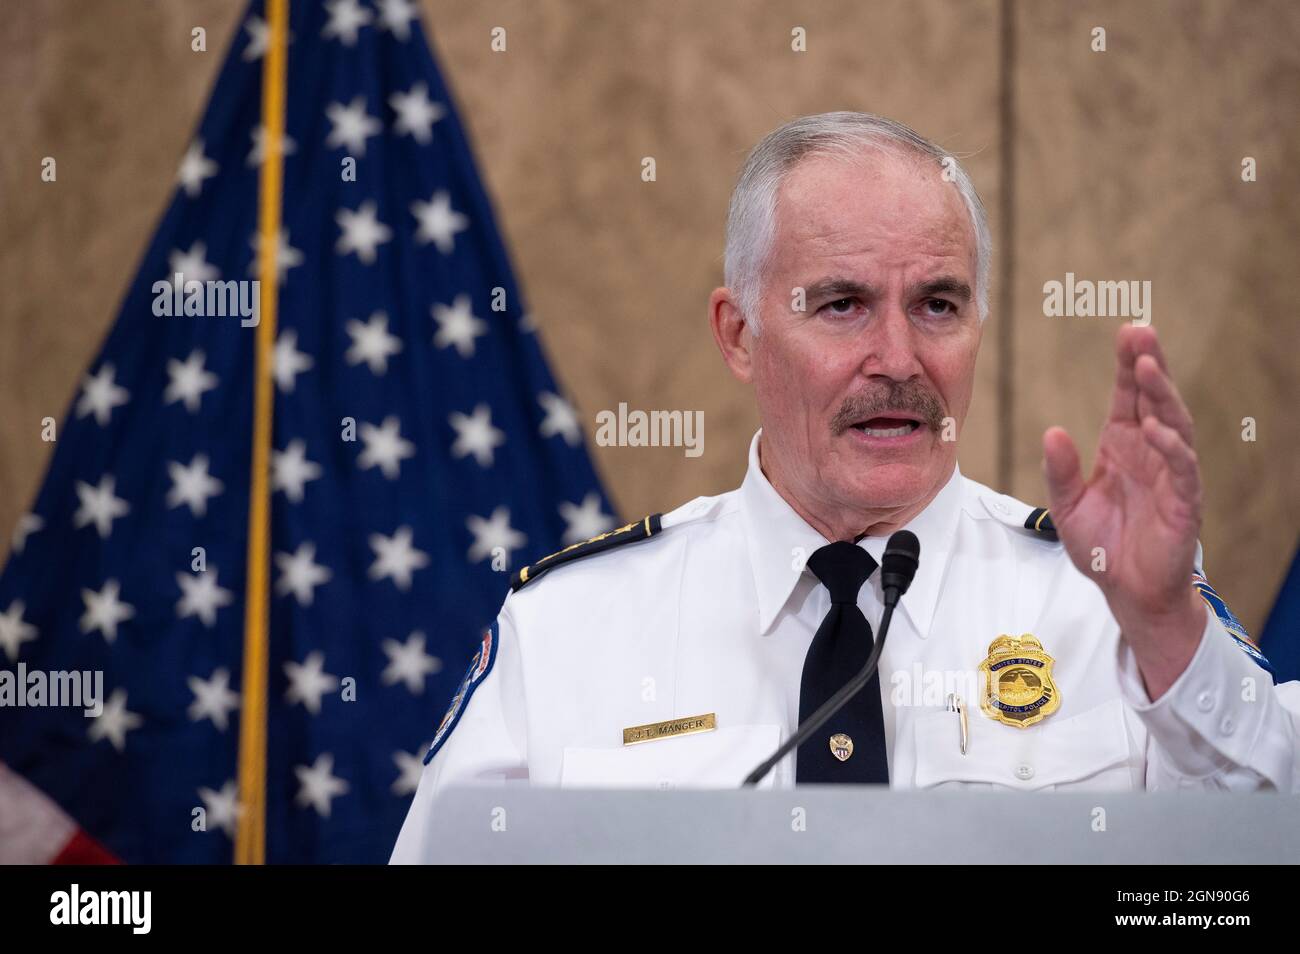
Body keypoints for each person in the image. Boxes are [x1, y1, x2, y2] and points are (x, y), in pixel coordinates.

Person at [390, 111, 1299, 863]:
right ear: (739, 333)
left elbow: (1243, 883)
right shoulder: (566, 631)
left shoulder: (1111, 606)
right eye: (842, 305)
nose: (899, 360)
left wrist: (1168, 629)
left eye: (938, 305)